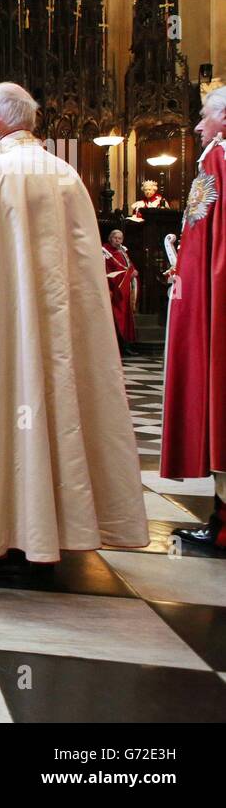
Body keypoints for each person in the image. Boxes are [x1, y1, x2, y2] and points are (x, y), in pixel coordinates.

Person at [0, 83, 149, 575]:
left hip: (7, 336)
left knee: (2, 419)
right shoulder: (67, 174)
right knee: (60, 415)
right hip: (64, 338)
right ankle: (55, 531)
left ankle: (3, 537)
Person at [161, 85, 226, 555]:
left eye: (205, 116)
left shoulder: (215, 158)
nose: (199, 127)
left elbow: (207, 243)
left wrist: (190, 285)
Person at [103, 228, 139, 354]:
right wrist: (129, 273)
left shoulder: (122, 250)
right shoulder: (105, 251)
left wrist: (133, 271)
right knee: (117, 318)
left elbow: (129, 266)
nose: (117, 241)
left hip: (125, 290)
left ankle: (126, 346)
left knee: (127, 318)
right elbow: (108, 272)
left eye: (120, 238)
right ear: (110, 238)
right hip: (115, 290)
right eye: (115, 238)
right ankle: (117, 348)